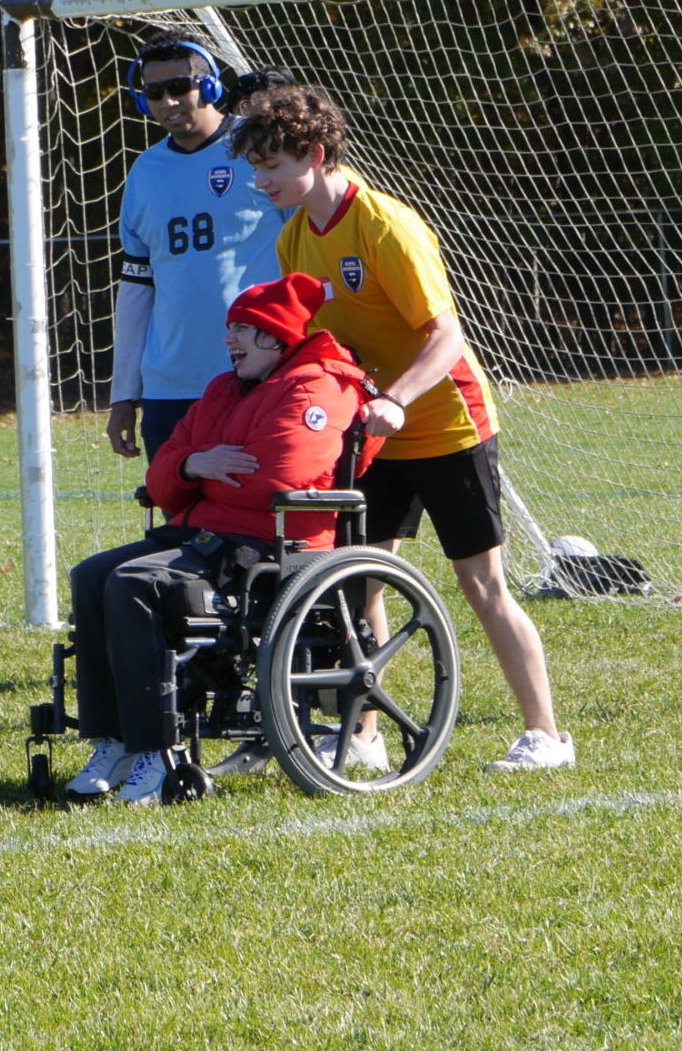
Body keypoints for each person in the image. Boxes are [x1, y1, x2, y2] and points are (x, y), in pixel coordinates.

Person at [231, 84, 575, 773]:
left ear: (316, 155)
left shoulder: (385, 225)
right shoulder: (296, 234)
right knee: (356, 581)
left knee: (482, 585)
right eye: (256, 168)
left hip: (446, 424)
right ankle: (363, 731)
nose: (260, 181)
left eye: (271, 167)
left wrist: (396, 397)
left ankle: (546, 736)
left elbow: (446, 334)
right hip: (370, 432)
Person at [68, 272, 375, 805]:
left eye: (241, 329)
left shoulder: (319, 386)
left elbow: (275, 478)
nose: (229, 340)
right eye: (231, 328)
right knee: (91, 575)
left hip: (273, 546)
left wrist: (191, 473)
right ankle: (115, 740)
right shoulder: (223, 389)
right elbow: (160, 479)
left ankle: (154, 753)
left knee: (133, 583)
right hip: (204, 533)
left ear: (275, 335)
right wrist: (195, 462)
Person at [107, 42, 293, 462]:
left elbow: (312, 256)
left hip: (260, 374)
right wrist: (124, 393)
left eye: (178, 86)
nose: (167, 101)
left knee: (258, 516)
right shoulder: (144, 173)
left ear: (209, 86)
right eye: (154, 92)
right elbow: (137, 288)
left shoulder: (263, 153)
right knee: (178, 521)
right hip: (170, 387)